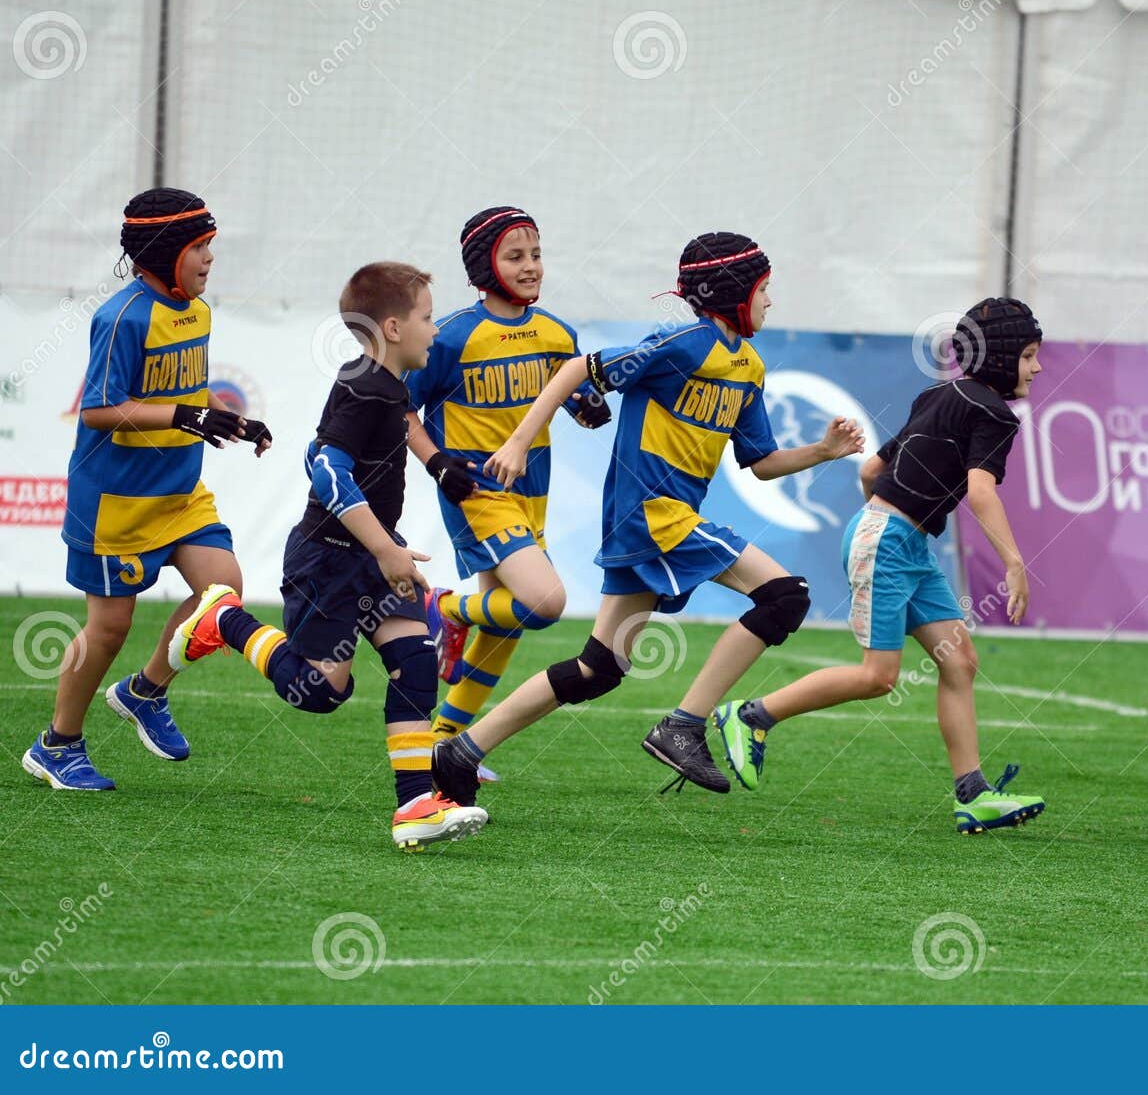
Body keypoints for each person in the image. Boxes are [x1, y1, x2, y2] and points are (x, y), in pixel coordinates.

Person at [431, 232, 862, 807]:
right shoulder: (683, 343)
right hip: (653, 517)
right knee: (786, 597)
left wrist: (823, 451)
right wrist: (518, 442)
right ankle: (684, 725)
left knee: (599, 667)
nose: (770, 301)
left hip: (664, 522)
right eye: (765, 289)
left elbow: (760, 464)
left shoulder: (748, 365)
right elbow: (577, 372)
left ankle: (461, 753)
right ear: (737, 292)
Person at [166, 262, 487, 850]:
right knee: (319, 693)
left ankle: (415, 804)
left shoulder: (385, 383)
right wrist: (386, 546)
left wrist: (435, 463)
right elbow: (329, 473)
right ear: (392, 327)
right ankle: (223, 619)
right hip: (328, 562)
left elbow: (337, 445)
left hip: (365, 559)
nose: (435, 329)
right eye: (427, 317)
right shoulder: (366, 388)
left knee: (416, 660)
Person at [715, 299, 1047, 834]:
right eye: (1030, 356)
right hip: (891, 543)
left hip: (897, 542)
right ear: (1004, 357)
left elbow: (873, 469)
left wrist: (883, 519)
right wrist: (1014, 562)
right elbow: (981, 491)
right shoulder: (993, 413)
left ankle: (973, 795)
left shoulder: (938, 395)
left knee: (959, 661)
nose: (1036, 368)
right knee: (878, 677)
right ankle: (751, 716)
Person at [22, 188, 270, 791]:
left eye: (211, 246)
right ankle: (58, 745)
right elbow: (101, 412)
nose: (210, 258)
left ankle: (146, 690)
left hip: (180, 494)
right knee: (109, 629)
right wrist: (187, 417)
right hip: (114, 503)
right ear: (164, 253)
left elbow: (186, 390)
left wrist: (227, 418)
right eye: (199, 247)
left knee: (223, 592)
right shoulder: (121, 316)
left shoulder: (199, 312)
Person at [405, 207, 610, 779]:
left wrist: (584, 407)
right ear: (483, 265)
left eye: (536, 254)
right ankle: (439, 606)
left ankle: (445, 740)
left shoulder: (556, 332)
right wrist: (437, 463)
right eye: (515, 256)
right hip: (475, 488)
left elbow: (564, 395)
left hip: (532, 491)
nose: (530, 267)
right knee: (545, 603)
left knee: (507, 619)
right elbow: (399, 406)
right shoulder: (449, 336)